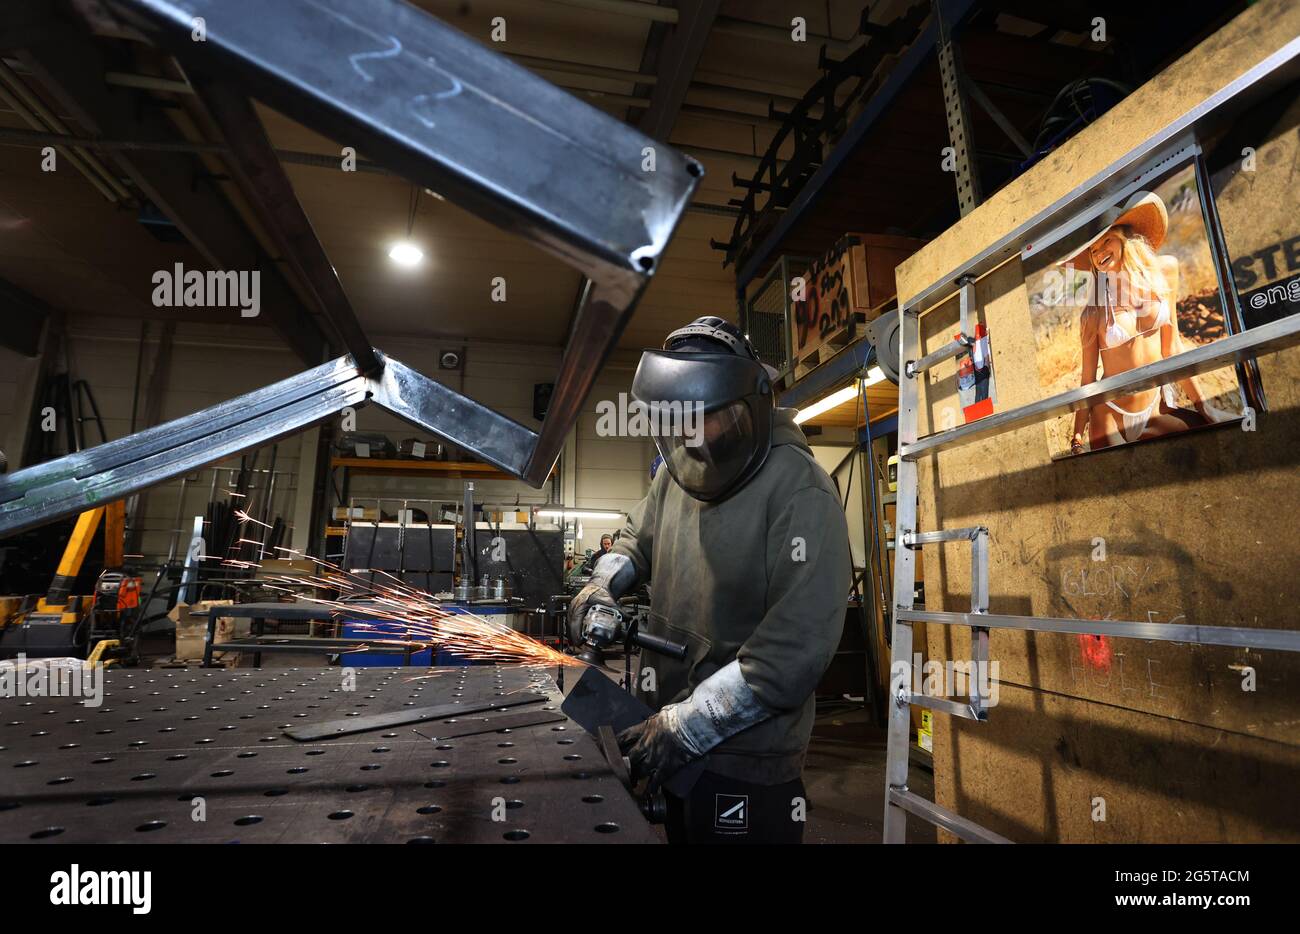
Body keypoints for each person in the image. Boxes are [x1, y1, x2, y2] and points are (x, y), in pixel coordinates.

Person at [569, 316, 850, 844]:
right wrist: (602, 587)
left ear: (750, 405)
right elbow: (636, 541)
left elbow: (792, 654)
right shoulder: (676, 474)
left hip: (744, 760)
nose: (692, 436)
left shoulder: (800, 490)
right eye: (679, 418)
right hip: (667, 741)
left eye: (706, 416)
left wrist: (686, 726)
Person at [1065, 191, 1228, 454]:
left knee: (1212, 446)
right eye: (1093, 251)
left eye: (1105, 241)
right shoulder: (1093, 311)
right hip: (1111, 415)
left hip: (1153, 406)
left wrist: (1203, 405)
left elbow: (1171, 350)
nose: (1099, 253)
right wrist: (1076, 437)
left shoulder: (1165, 271)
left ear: (1123, 237)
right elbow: (1088, 381)